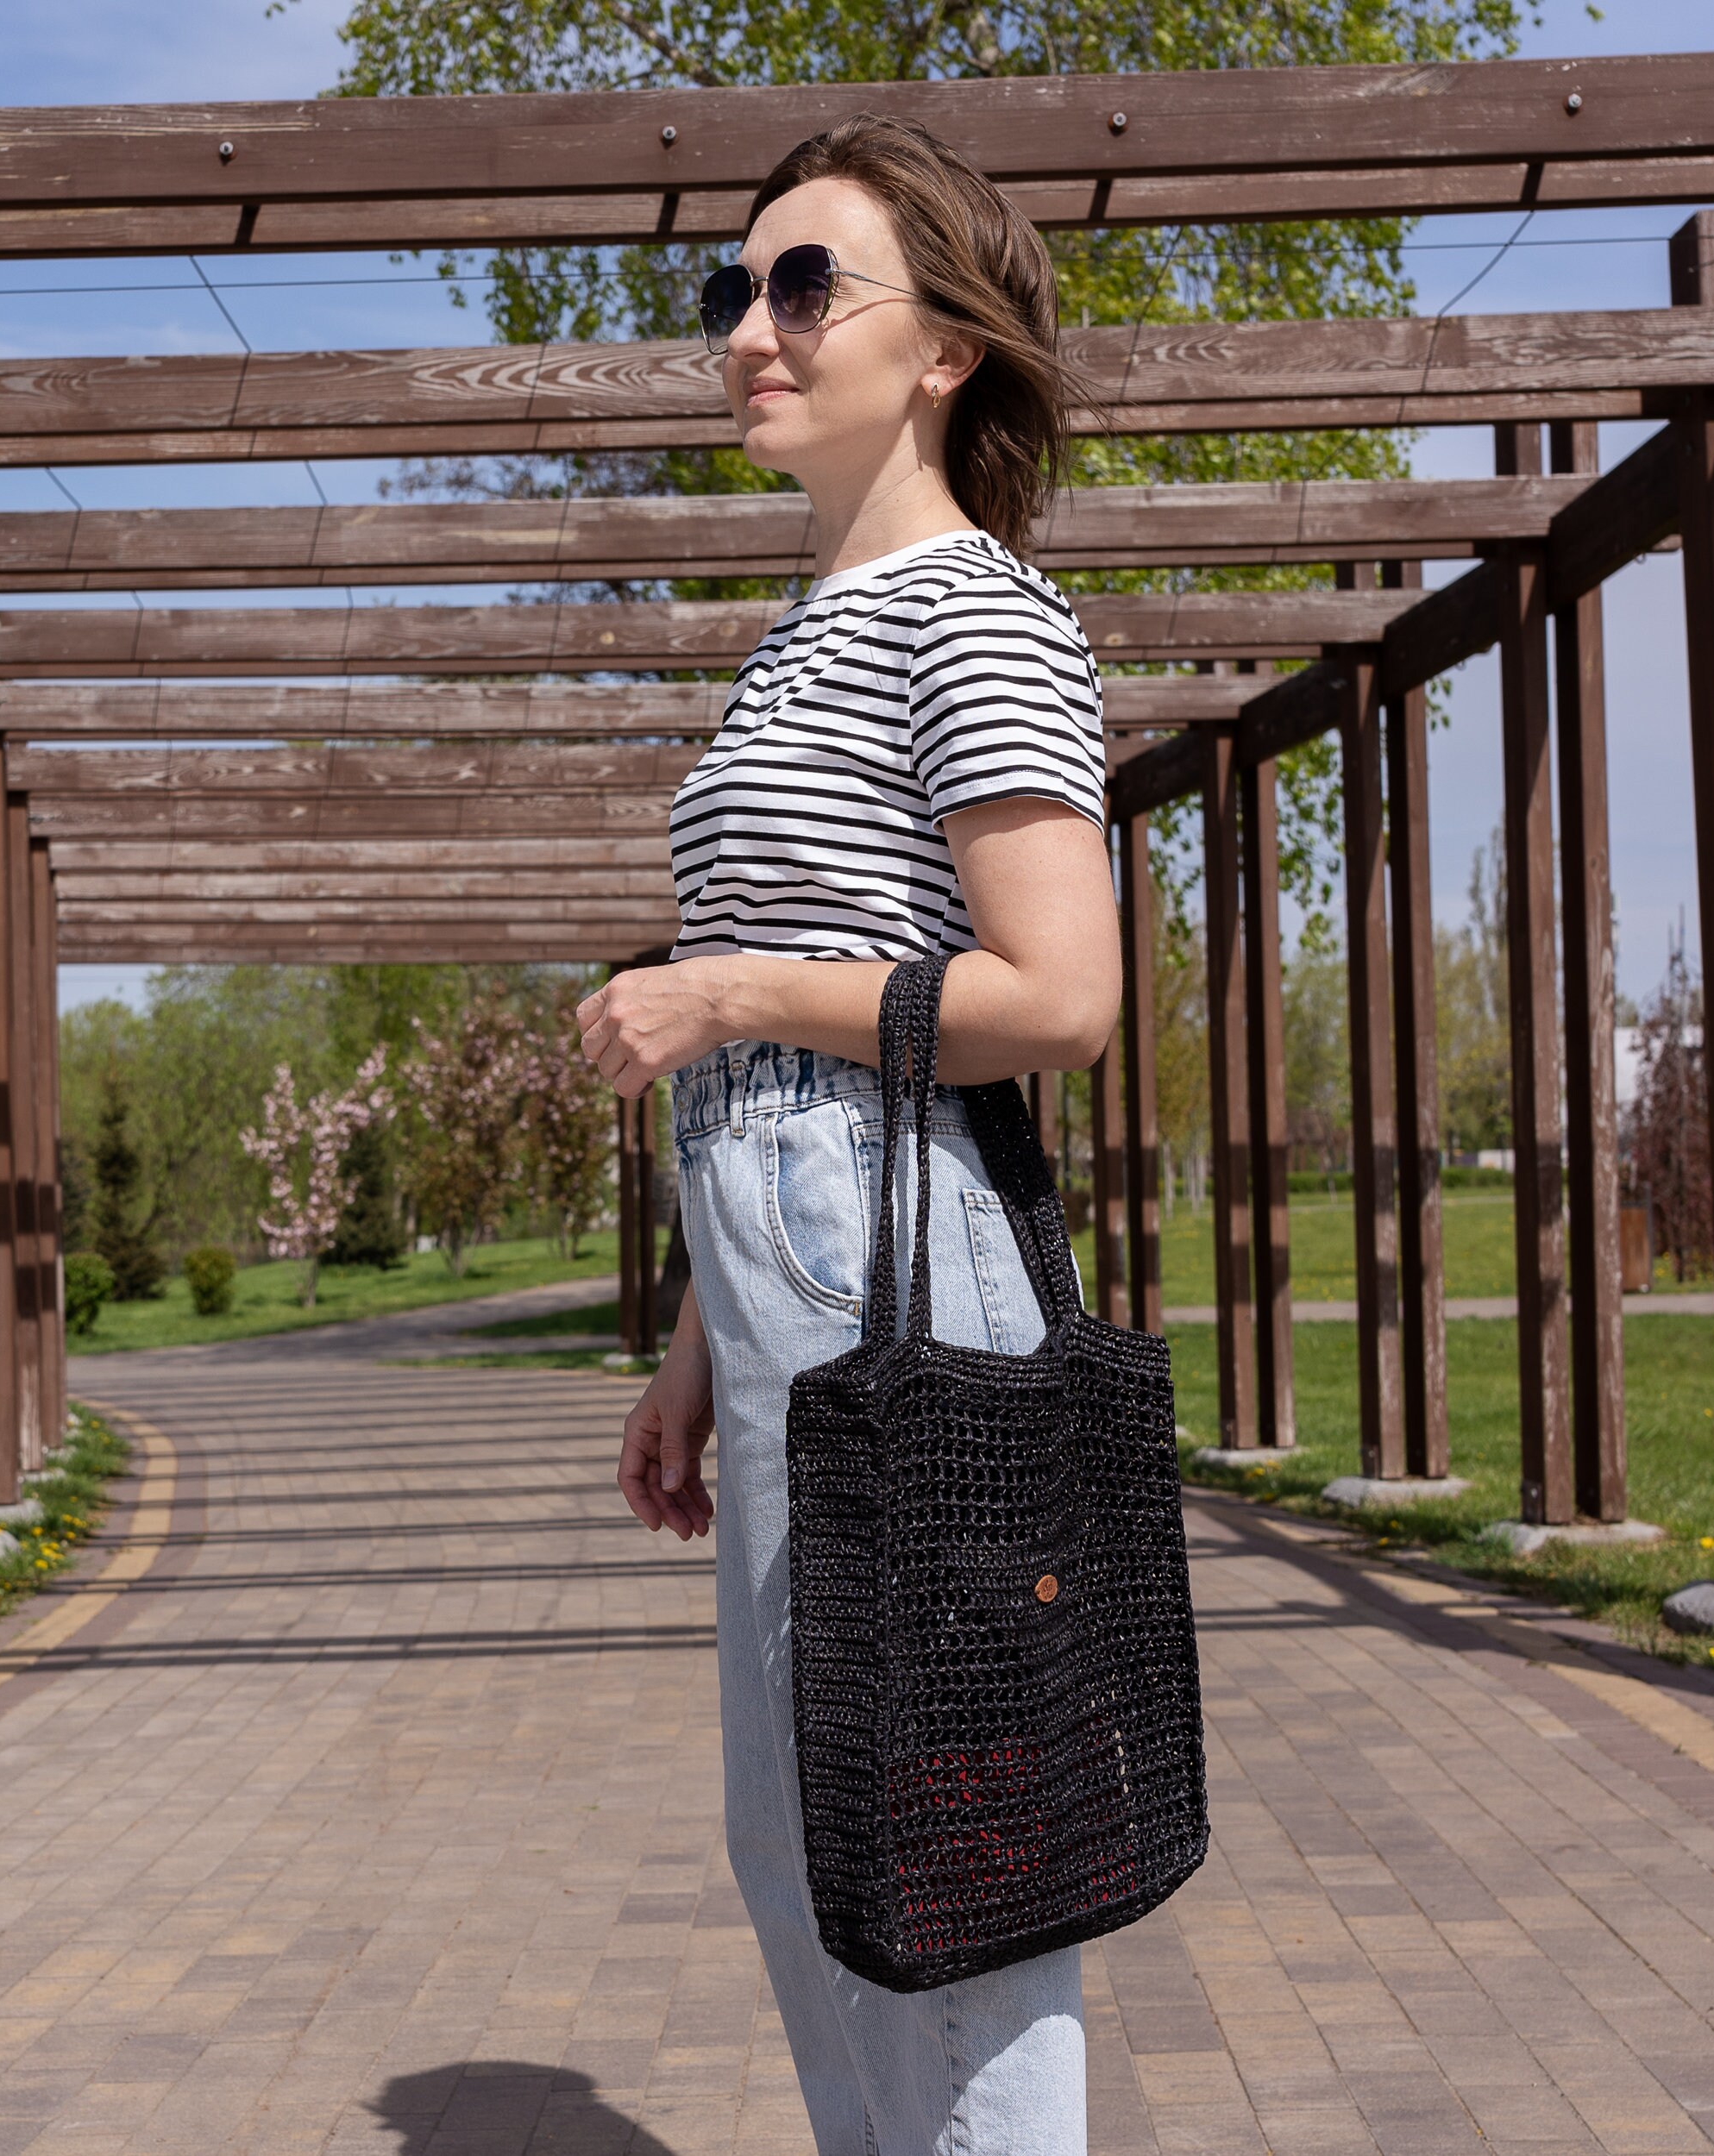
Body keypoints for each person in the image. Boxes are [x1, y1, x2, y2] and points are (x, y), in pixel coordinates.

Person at [576, 114, 1119, 2155]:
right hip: (796, 1283)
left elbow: (1055, 998)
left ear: (946, 347)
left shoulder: (966, 610)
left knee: (948, 1849)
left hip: (892, 1270)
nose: (750, 328)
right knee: (814, 1840)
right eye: (733, 289)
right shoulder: (810, 627)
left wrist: (720, 990)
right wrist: (702, 1345)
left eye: (807, 284)